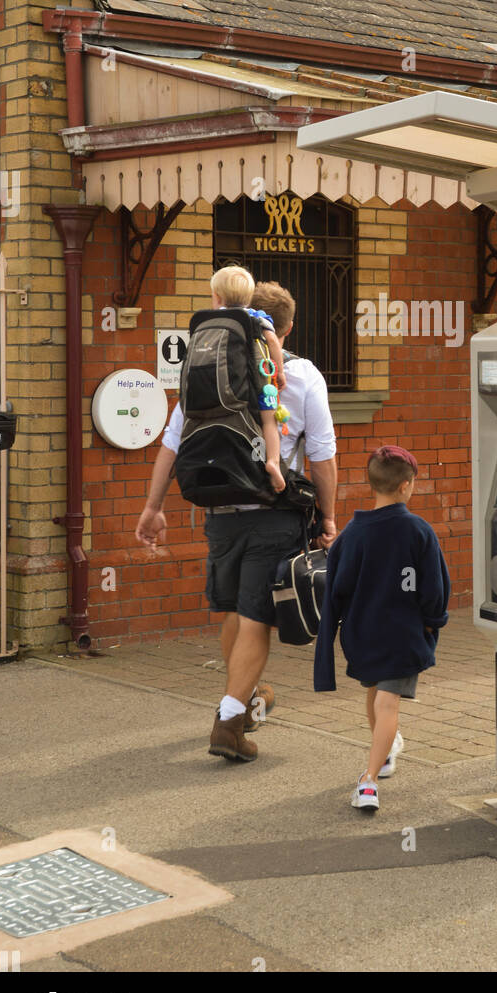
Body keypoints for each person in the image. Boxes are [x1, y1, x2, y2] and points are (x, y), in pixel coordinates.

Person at [136, 280, 338, 762]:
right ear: (287, 326)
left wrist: (152, 508)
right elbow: (322, 456)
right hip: (272, 515)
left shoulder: (209, 372)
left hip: (219, 515)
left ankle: (245, 699)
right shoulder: (302, 376)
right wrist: (329, 516)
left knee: (235, 611)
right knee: (256, 619)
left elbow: (171, 445)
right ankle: (228, 721)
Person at [313, 445, 450, 812]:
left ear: (372, 484)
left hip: (361, 636)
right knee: (388, 702)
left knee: (376, 694)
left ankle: (386, 751)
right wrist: (433, 623)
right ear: (406, 486)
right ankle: (369, 780)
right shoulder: (419, 531)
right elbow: (434, 589)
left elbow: (336, 591)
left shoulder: (351, 535)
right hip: (402, 637)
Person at [209, 265, 286, 496]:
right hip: (260, 374)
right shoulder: (257, 317)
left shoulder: (213, 320)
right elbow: (272, 342)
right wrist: (279, 371)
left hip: (226, 381)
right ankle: (272, 460)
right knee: (269, 421)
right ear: (249, 297)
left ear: (217, 296)